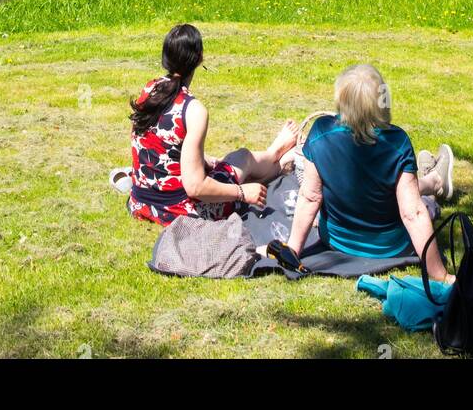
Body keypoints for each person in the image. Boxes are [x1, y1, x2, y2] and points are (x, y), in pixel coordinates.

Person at [286, 63, 454, 284]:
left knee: (402, 191)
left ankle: (432, 179)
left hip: (337, 240)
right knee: (424, 204)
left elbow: (310, 197)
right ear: (382, 101)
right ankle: (434, 181)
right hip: (391, 246)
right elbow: (413, 213)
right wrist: (440, 274)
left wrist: (292, 250)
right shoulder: (397, 142)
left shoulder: (320, 132)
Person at [129, 23, 298, 225]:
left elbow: (160, 146)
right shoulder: (193, 110)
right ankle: (279, 156)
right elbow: (195, 187)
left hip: (142, 202)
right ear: (200, 57)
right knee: (242, 157)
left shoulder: (151, 89)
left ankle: (278, 156)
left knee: (223, 164)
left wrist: (205, 161)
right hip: (180, 212)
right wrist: (241, 192)